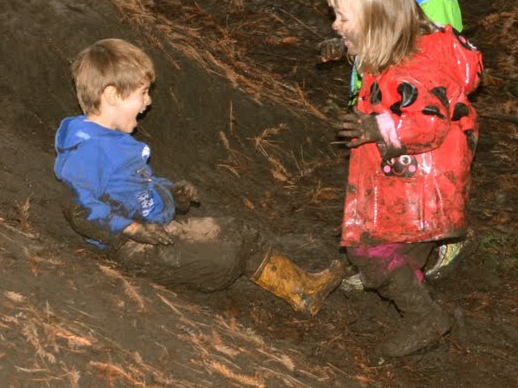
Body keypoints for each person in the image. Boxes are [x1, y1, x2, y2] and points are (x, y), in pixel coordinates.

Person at [55, 38, 344, 314]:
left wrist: (173, 195)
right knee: (225, 255)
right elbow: (78, 206)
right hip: (131, 249)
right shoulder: (87, 148)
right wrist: (131, 229)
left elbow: (136, 187)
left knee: (240, 232)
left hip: (155, 232)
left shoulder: (114, 142)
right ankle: (217, 279)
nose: (148, 102)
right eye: (142, 93)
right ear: (112, 95)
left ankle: (302, 290)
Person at [320, 0, 471, 281]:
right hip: (386, 107)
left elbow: (437, 60)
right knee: (390, 186)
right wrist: (351, 47)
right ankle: (387, 258)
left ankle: (428, 249)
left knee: (416, 190)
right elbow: (382, 36)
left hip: (418, 116)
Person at [328, 0, 481, 357]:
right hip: (416, 180)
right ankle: (407, 280)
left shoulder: (411, 71)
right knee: (405, 249)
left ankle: (423, 316)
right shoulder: (398, 50)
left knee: (367, 249)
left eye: (343, 18)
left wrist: (379, 129)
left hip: (418, 183)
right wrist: (348, 48)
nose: (334, 24)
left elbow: (427, 124)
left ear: (376, 26)